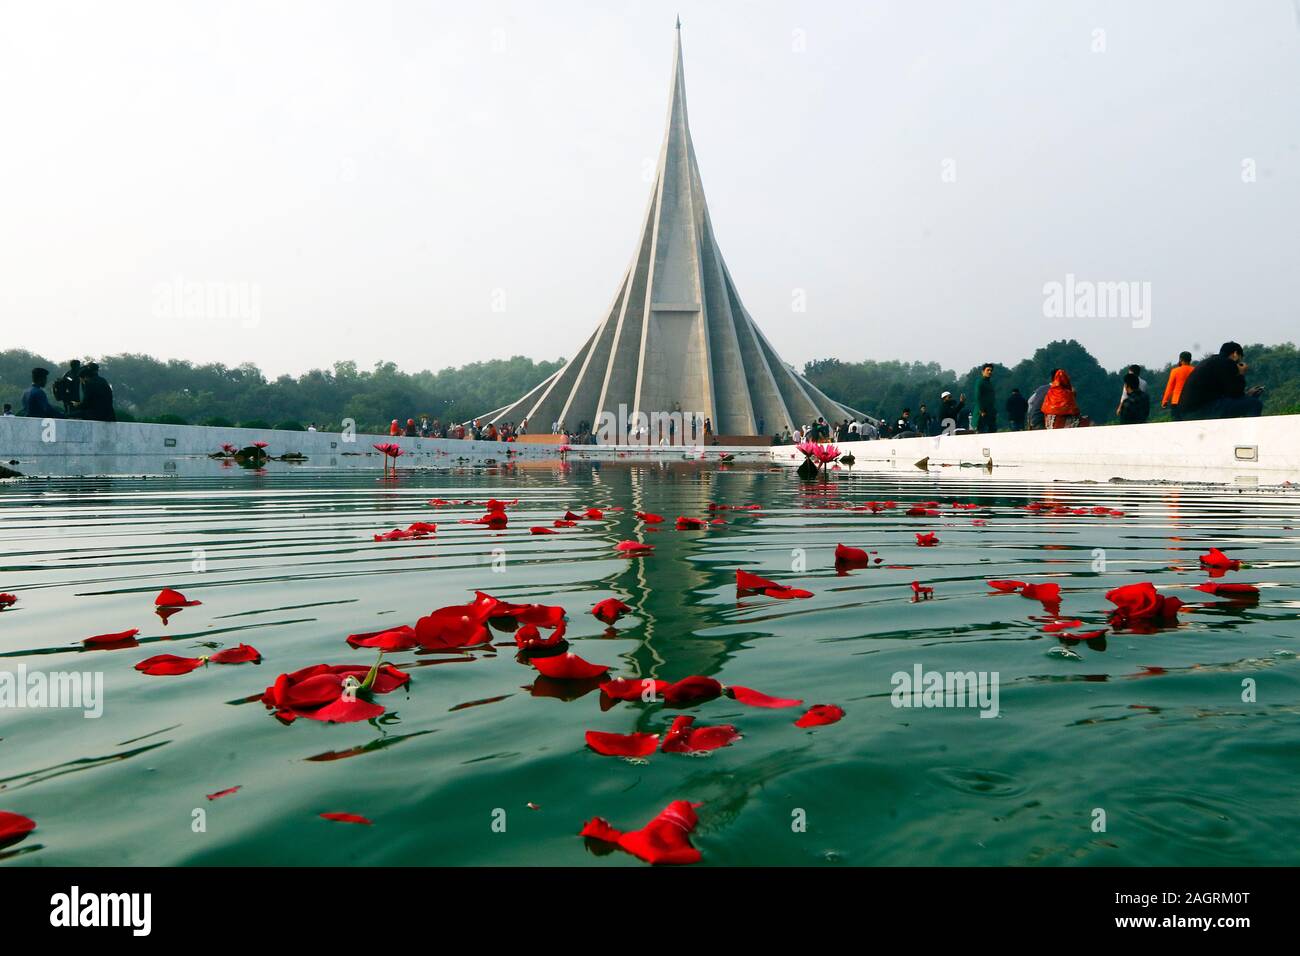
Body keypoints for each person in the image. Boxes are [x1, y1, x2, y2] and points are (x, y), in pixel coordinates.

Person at [1178, 342, 1263, 419]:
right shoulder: (1228, 363)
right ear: (1235, 354)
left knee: (1240, 403)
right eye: (1240, 359)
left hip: (1188, 412)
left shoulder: (1212, 361)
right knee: (1255, 404)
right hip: (1201, 410)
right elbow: (1235, 393)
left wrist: (1247, 394)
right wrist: (1241, 373)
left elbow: (1228, 392)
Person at [1161, 351, 1195, 420]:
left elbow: (1169, 387)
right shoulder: (1194, 370)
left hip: (1177, 401)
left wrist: (1165, 401)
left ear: (1180, 359)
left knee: (1177, 423)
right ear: (1190, 360)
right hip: (1191, 400)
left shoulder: (1175, 371)